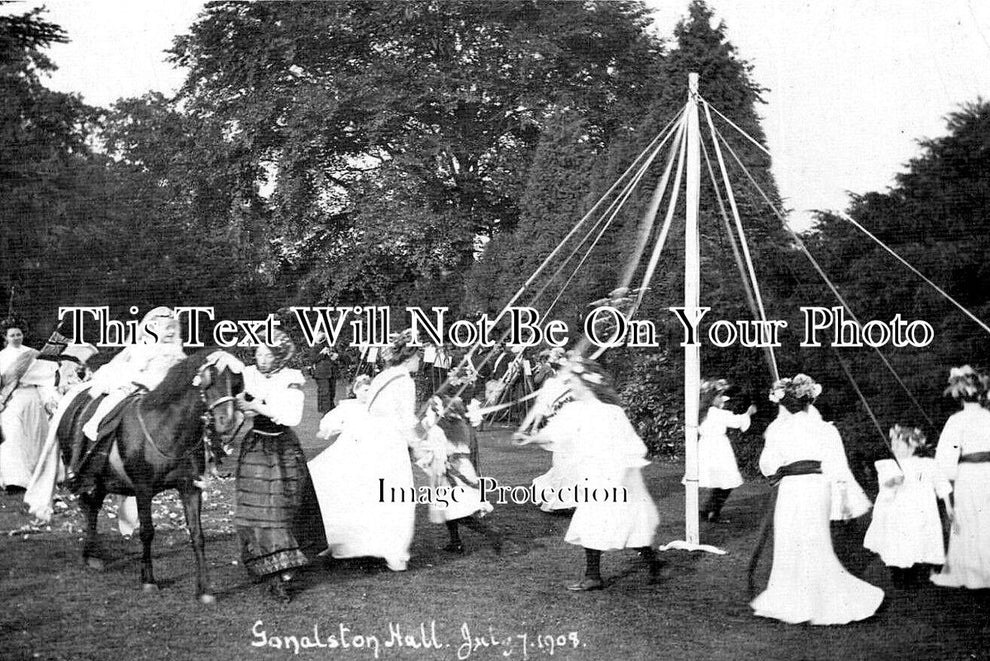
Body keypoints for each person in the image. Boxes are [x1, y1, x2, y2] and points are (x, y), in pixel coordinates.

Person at [515, 355, 661, 591]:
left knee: (625, 521)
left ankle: (651, 563)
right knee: (596, 521)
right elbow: (555, 433)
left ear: (586, 383)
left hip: (616, 475)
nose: (570, 386)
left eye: (573, 381)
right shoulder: (573, 410)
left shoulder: (612, 412)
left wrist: (621, 468)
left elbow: (633, 444)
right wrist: (530, 438)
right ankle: (597, 574)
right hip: (593, 476)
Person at [751, 374, 884, 625]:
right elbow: (837, 467)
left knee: (790, 540)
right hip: (816, 486)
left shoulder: (778, 429)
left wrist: (781, 470)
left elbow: (767, 465)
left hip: (791, 487)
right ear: (808, 400)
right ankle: (816, 597)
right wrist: (842, 499)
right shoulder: (825, 428)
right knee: (815, 540)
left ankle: (790, 599)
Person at [323, 329, 428, 572]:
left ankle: (360, 544)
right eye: (418, 357)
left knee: (370, 494)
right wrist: (418, 447)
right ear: (409, 357)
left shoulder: (382, 376)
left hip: (371, 442)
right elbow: (404, 421)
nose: (420, 361)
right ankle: (392, 551)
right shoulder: (405, 382)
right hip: (390, 445)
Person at [234, 328, 325, 601]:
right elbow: (239, 403)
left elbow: (290, 416)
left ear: (279, 355)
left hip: (282, 448)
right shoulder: (249, 374)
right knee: (254, 507)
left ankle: (283, 572)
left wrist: (258, 406)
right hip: (255, 446)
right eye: (258, 352)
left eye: (267, 353)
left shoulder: (290, 379)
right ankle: (264, 564)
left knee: (281, 508)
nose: (261, 358)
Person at [864, 425, 953, 587]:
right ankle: (899, 576)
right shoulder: (890, 465)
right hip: (900, 511)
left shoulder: (928, 464)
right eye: (893, 444)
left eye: (899, 444)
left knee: (920, 543)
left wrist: (948, 506)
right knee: (899, 544)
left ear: (912, 445)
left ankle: (917, 575)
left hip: (923, 510)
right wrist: (893, 482)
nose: (894, 447)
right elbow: (885, 488)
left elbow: (941, 484)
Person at [930, 365, 990, 589]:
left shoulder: (956, 421)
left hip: (970, 476)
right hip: (984, 474)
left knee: (971, 519)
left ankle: (976, 571)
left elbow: (945, 461)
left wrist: (946, 495)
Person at [418, 396, 501, 554]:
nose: (427, 412)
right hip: (462, 467)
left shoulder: (438, 428)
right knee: (450, 508)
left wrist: (433, 466)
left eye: (430, 408)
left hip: (452, 472)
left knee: (457, 510)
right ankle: (456, 542)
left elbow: (439, 452)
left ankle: (491, 533)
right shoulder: (458, 424)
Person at [0, 321, 52, 492]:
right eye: (12, 335)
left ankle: (40, 474)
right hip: (12, 399)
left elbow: (46, 377)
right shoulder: (2, 357)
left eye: (18, 334)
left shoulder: (33, 354)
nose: (16, 338)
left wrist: (48, 400)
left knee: (36, 435)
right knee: (13, 435)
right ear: (5, 337)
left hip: (32, 398)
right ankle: (15, 480)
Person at [522, 348, 576, 512]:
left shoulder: (576, 384)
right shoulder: (551, 385)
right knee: (562, 463)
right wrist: (536, 426)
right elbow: (542, 406)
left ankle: (567, 499)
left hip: (576, 428)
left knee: (574, 463)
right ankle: (557, 501)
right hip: (558, 427)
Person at [695, 379, 755, 523]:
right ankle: (710, 511)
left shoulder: (703, 412)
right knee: (727, 480)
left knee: (721, 481)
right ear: (712, 398)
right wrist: (749, 413)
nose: (721, 399)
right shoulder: (715, 412)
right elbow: (736, 421)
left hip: (706, 446)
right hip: (717, 447)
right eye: (718, 396)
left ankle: (709, 511)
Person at [308, 330, 341, 414]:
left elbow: (335, 357)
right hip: (321, 373)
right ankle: (326, 411)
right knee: (325, 392)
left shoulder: (330, 347)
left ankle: (330, 408)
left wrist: (334, 355)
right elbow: (312, 359)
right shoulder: (315, 348)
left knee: (332, 391)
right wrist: (323, 353)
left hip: (331, 372)